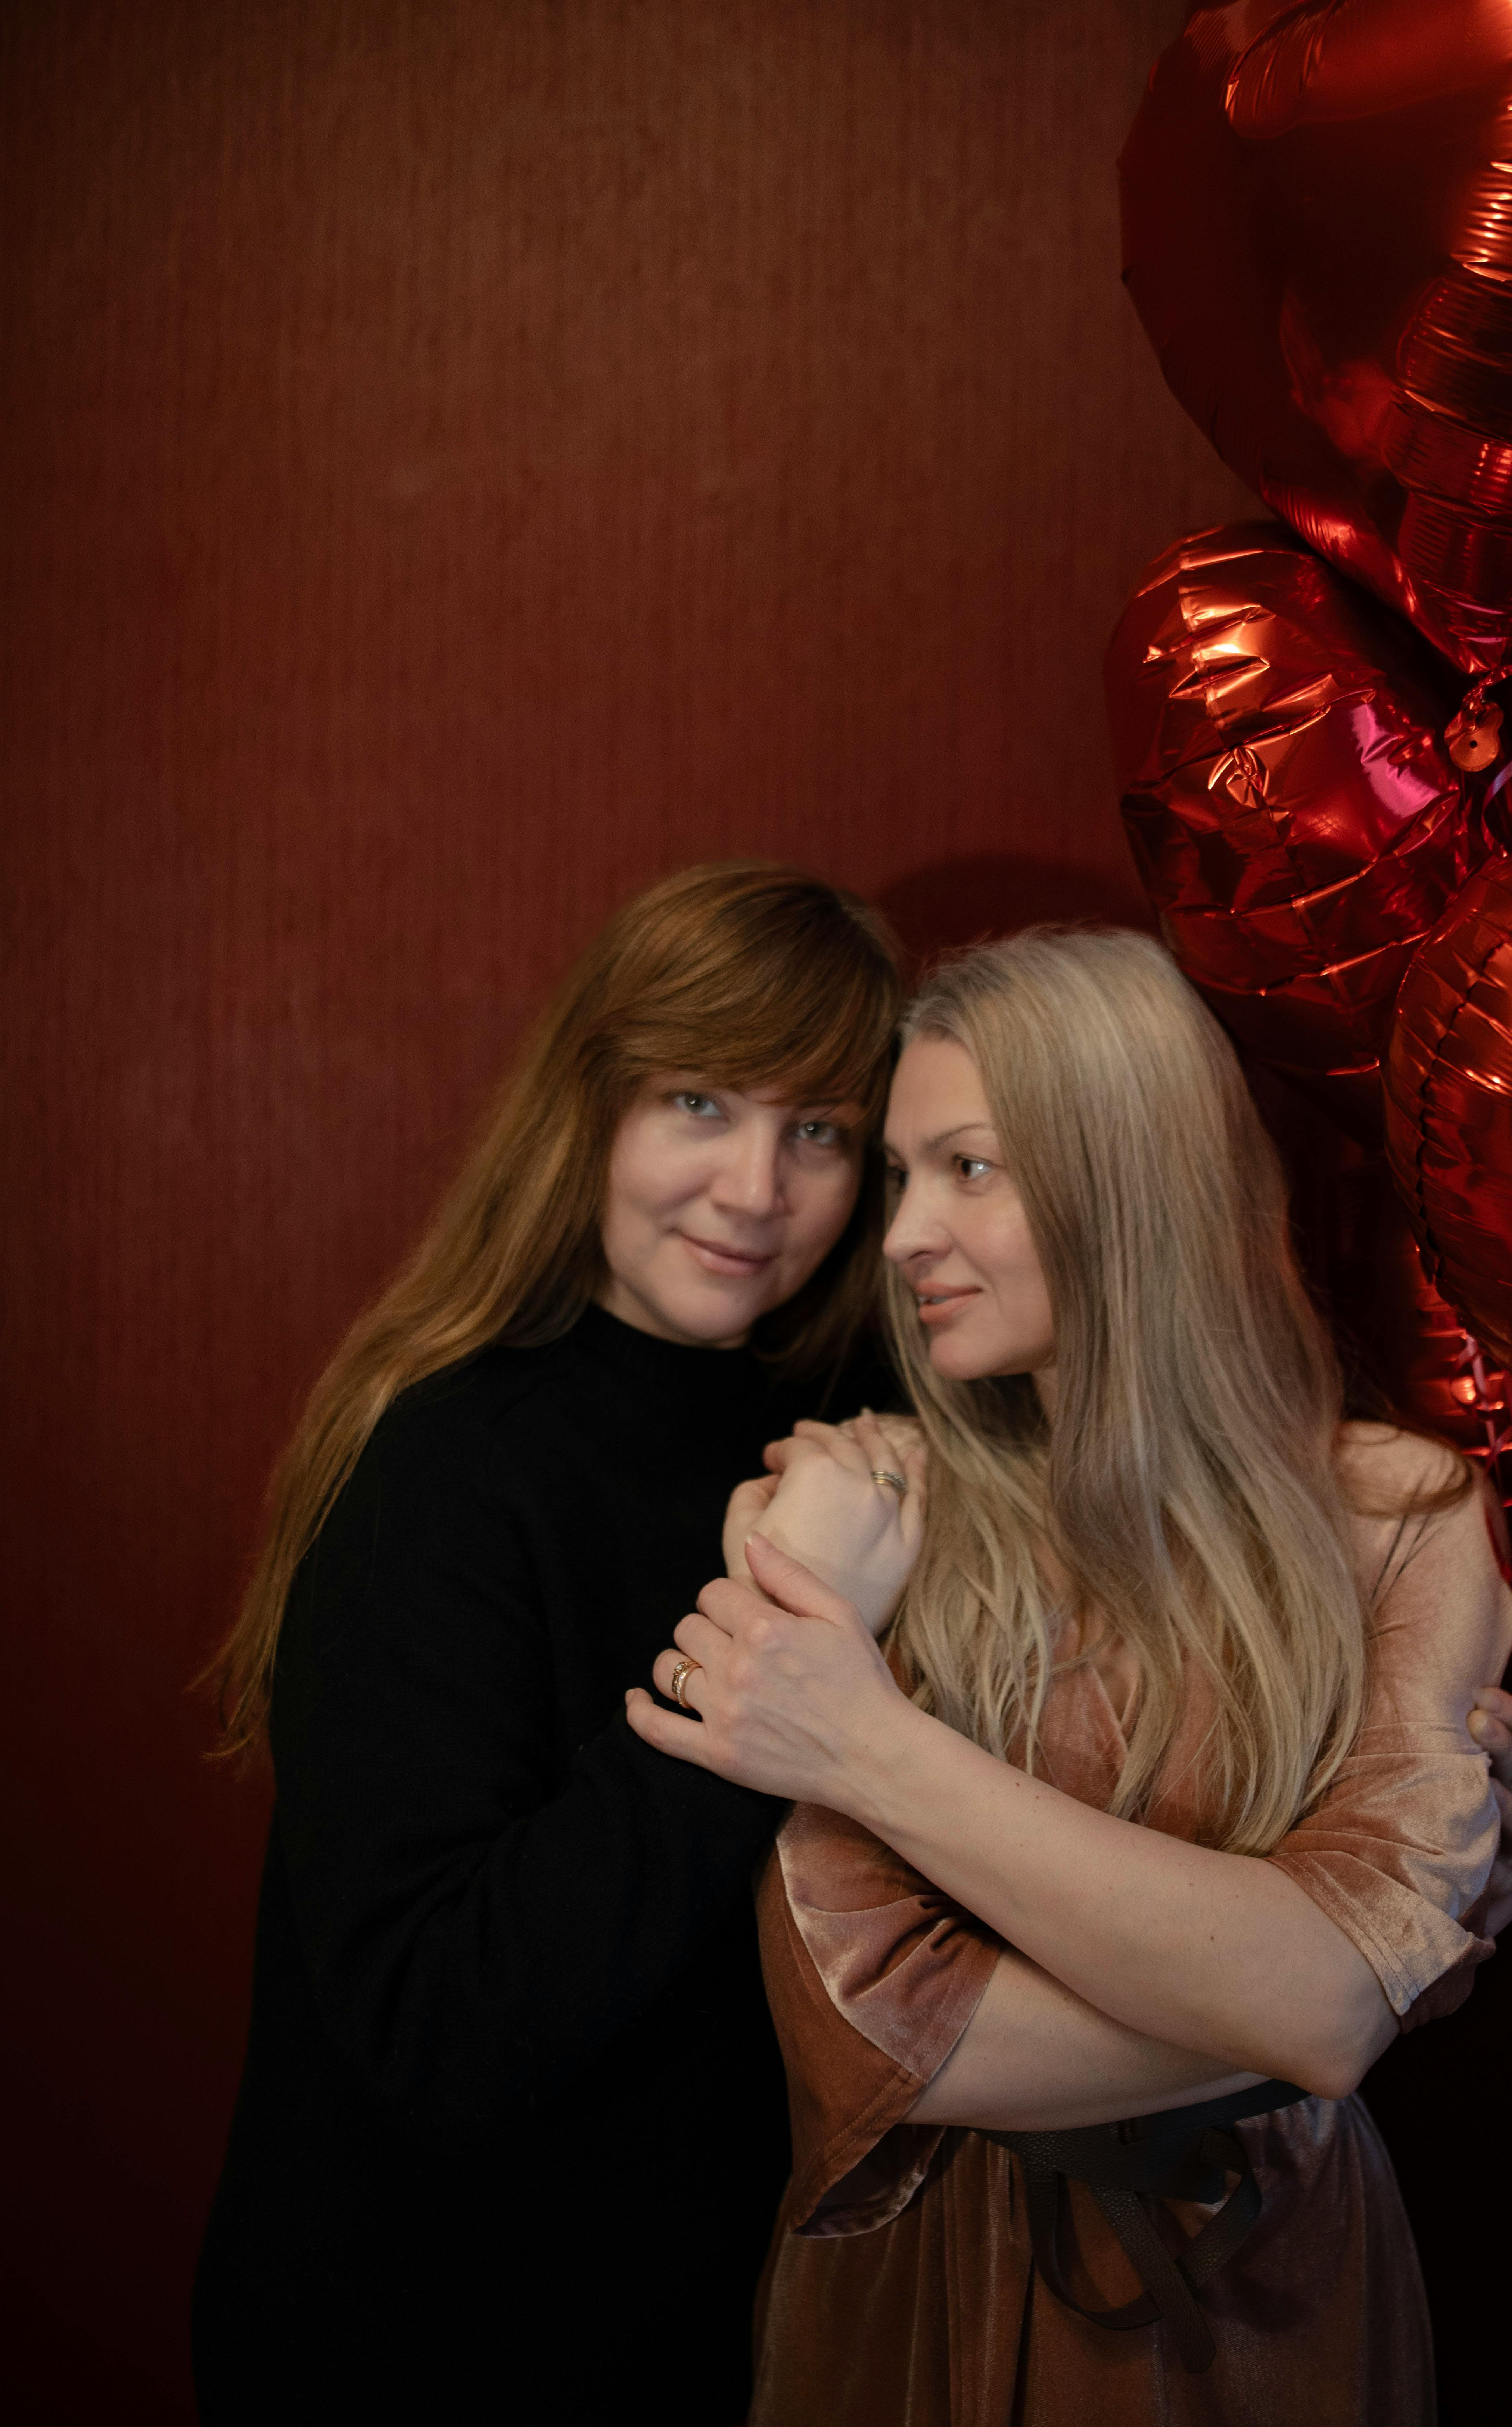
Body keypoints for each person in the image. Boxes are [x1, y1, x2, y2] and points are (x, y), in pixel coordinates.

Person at [629, 926, 1512, 2427]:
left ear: (1133, 1176)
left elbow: (1323, 2008)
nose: (905, 1234)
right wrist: (1317, 1972)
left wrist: (863, 1744)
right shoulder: (857, 1506)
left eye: (969, 1170)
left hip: (1285, 2301)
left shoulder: (1403, 1517)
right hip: (927, 2288)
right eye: (903, 1176)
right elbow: (868, 2034)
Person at [191, 861, 918, 2427]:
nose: (752, 1192)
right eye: (699, 1103)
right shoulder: (448, 1468)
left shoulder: (860, 1433)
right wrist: (781, 1651)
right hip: (433, 2344)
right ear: (588, 1107)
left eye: (819, 1132)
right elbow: (435, 2022)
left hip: (722, 2336)